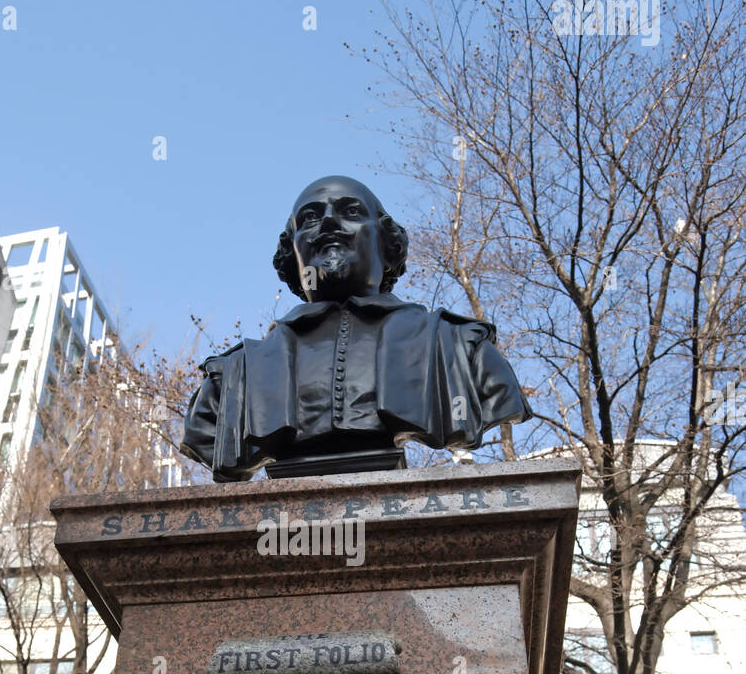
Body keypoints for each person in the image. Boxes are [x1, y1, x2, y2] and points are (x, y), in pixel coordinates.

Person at [180, 175, 532, 481]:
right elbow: (203, 437)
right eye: (310, 217)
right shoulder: (231, 379)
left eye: (350, 212)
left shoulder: (458, 348)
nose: (329, 223)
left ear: (385, 241)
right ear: (293, 250)